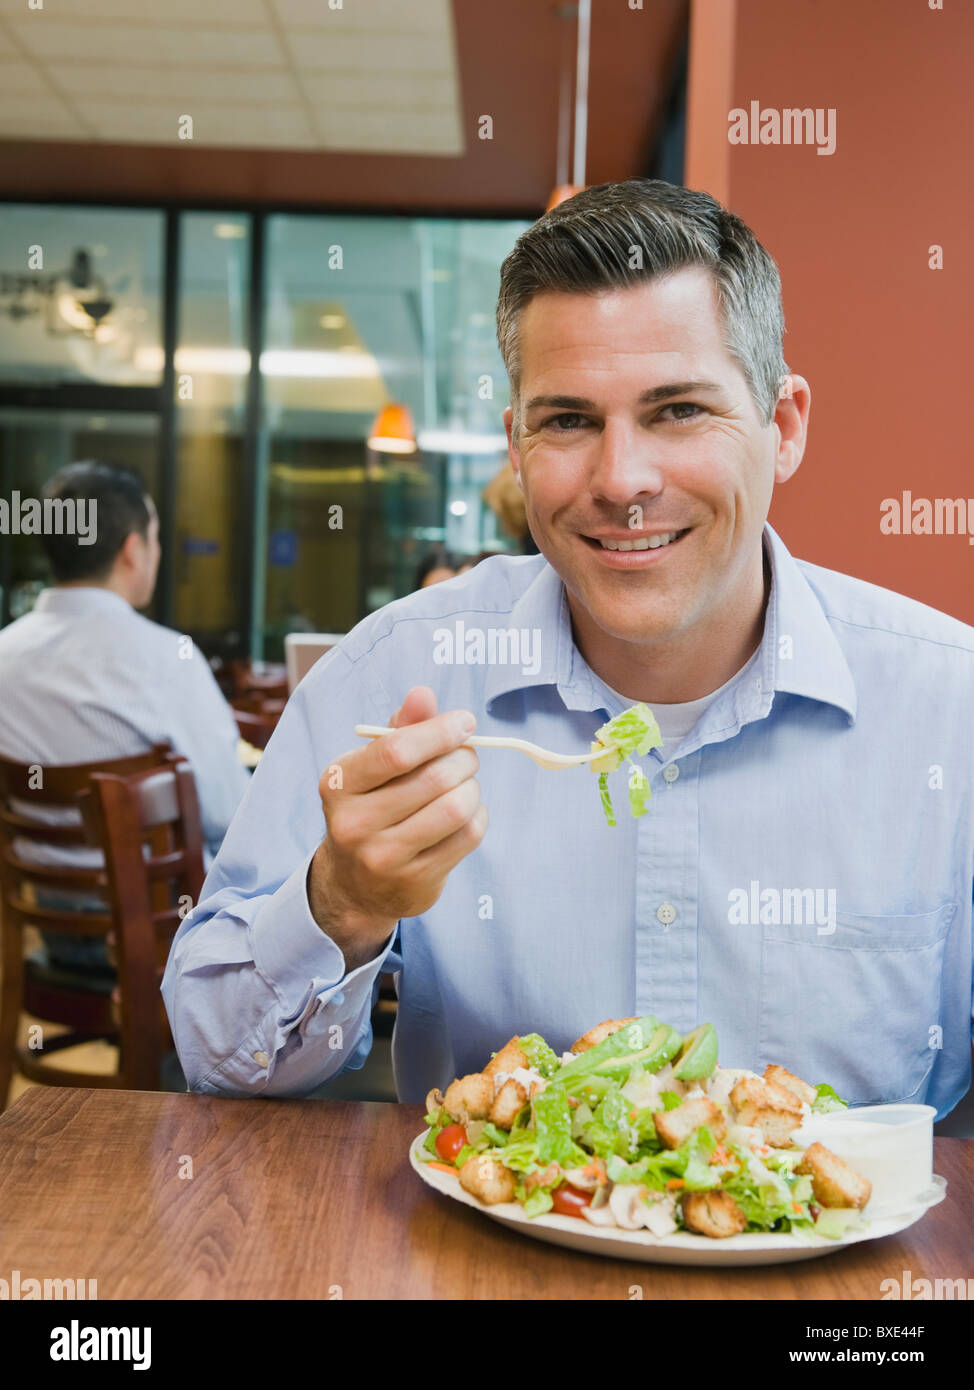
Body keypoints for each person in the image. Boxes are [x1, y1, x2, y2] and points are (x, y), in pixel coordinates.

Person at [163, 180, 973, 1125]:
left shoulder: (947, 711)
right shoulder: (397, 673)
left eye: (678, 411)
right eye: (569, 421)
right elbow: (215, 1060)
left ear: (783, 428)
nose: (622, 480)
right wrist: (340, 903)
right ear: (516, 446)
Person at [0, 460, 251, 973]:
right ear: (132, 550)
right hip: (165, 946)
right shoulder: (166, 660)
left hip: (42, 920)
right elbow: (231, 817)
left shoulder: (5, 655)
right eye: (155, 538)